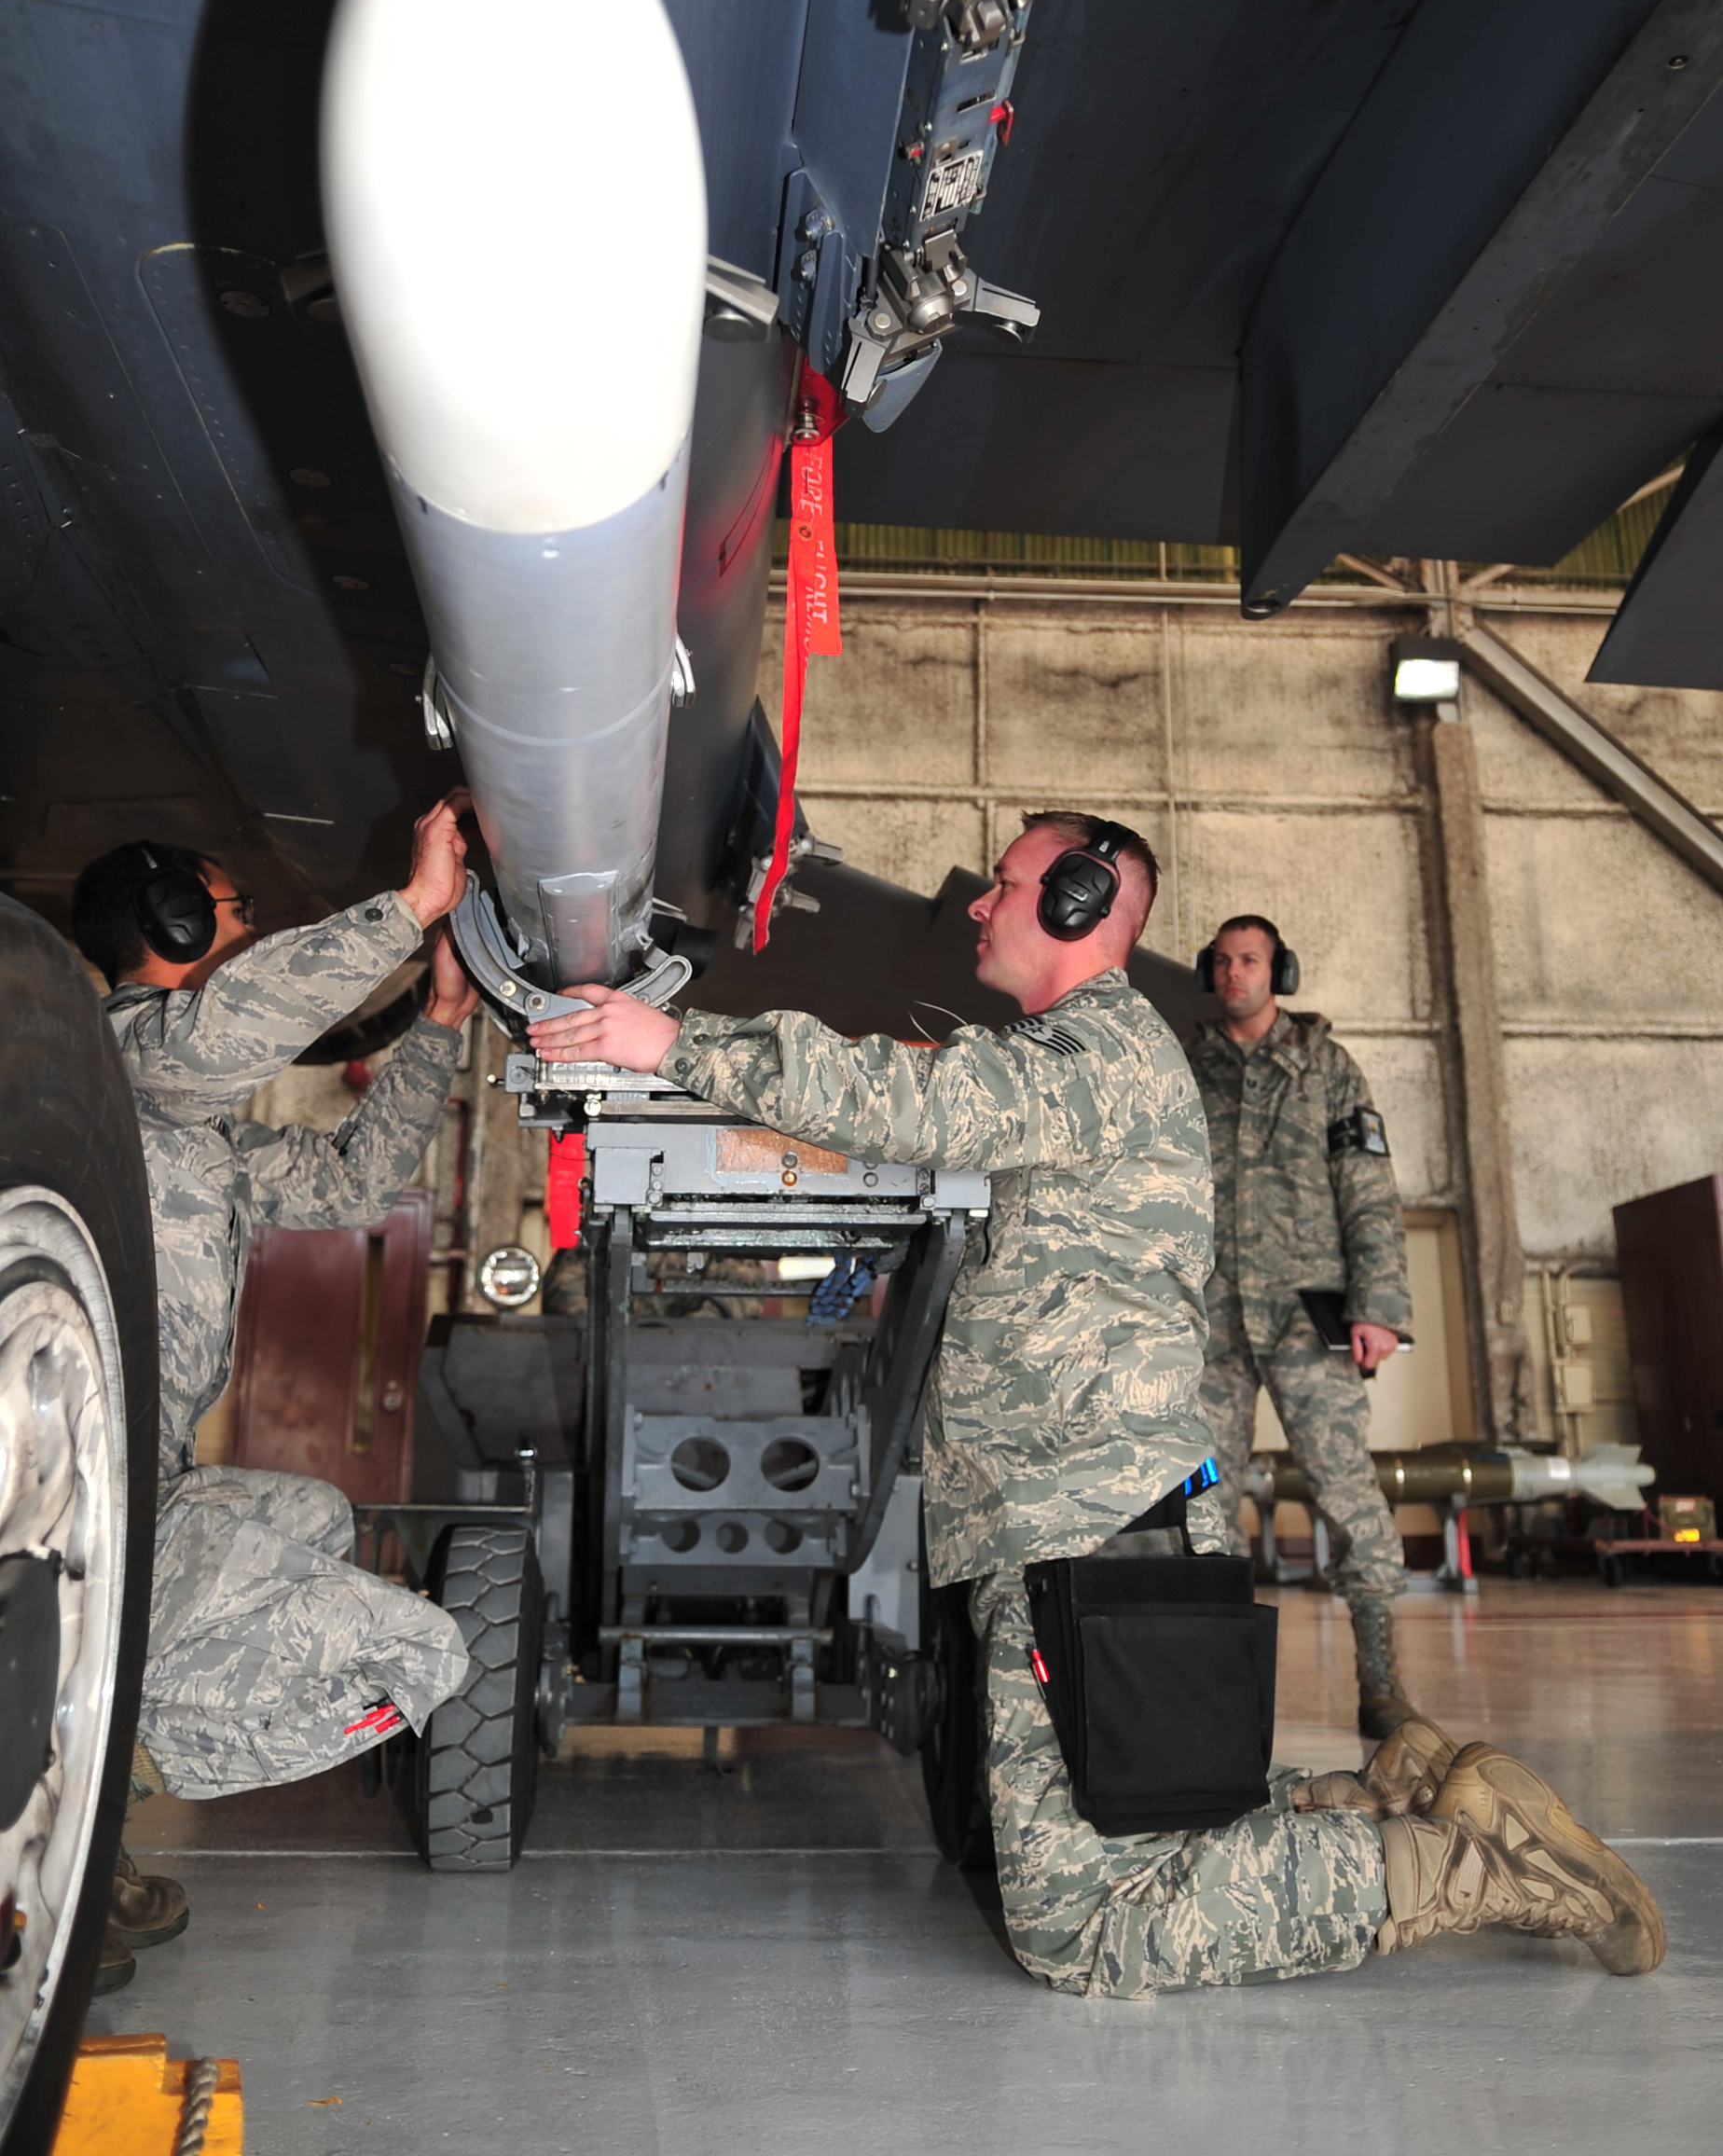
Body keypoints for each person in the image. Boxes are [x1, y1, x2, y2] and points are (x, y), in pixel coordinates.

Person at [525, 813, 1663, 1996]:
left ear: (1080, 900)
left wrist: (672, 1040)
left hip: (1086, 1526)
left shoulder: (1094, 1053)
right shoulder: (1076, 1058)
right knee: (1149, 1809)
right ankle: (1400, 1792)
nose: (978, 904)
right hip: (1081, 1521)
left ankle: (1484, 1868)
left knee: (1084, 1931)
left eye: (1005, 886)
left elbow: (912, 1104)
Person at [71, 798, 480, 1992]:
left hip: (151, 1475)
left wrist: (441, 1025)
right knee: (418, 1656)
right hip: (75, 1487)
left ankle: (108, 1779)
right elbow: (218, 1037)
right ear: (177, 920)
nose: (256, 932)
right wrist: (407, 911)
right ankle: (79, 1821)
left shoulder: (197, 1137)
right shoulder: (128, 1056)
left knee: (312, 1521)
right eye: (240, 913)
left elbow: (357, 1180)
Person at [1185, 916, 1416, 1737]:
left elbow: (1368, 1193)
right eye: (1221, 962)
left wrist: (1379, 1309)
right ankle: (1209, 1684)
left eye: (1248, 961)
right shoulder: (1190, 1065)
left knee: (1345, 1489)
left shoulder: (1326, 1068)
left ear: (1279, 969)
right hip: (1210, 1317)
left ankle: (1381, 1681)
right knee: (1199, 1502)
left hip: (1304, 1313)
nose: (1232, 974)